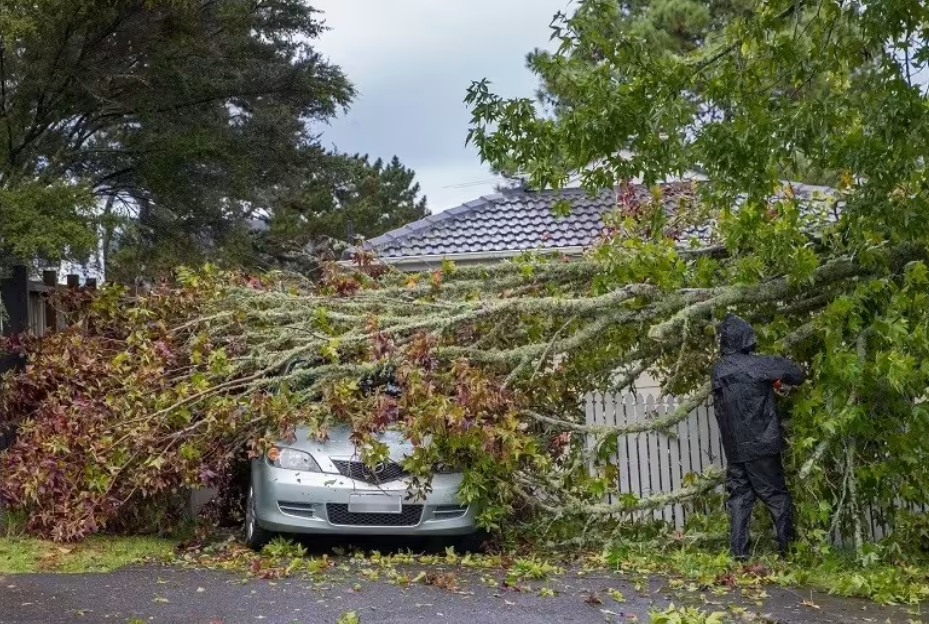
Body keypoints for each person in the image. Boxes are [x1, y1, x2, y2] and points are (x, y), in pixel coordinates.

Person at [711, 313, 806, 560]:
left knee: (740, 498)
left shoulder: (719, 370)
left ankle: (739, 556)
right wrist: (774, 379)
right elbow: (796, 373)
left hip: (734, 448)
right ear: (746, 339)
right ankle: (789, 552)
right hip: (761, 443)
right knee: (776, 496)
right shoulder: (758, 365)